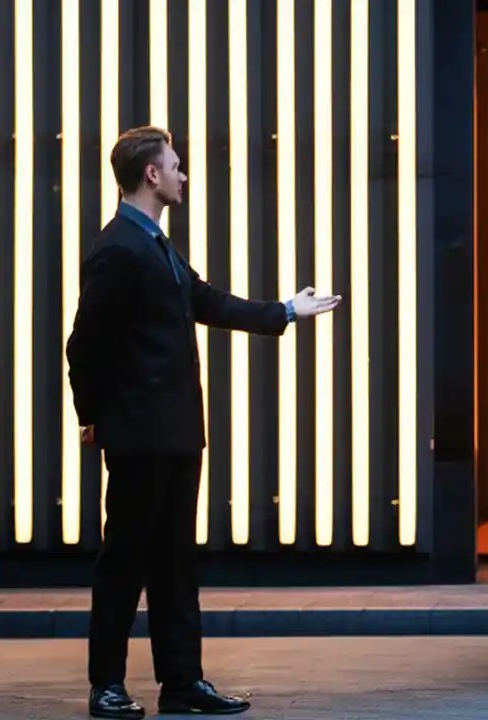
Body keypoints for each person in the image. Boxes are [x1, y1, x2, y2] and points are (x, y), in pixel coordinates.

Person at [66, 125, 341, 719]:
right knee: (125, 561)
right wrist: (94, 416)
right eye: (177, 165)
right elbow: (84, 346)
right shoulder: (118, 248)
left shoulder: (157, 245)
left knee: (173, 561)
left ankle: (182, 683)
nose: (184, 174)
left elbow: (207, 301)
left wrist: (287, 310)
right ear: (152, 175)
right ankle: (106, 686)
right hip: (140, 434)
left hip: (177, 434)